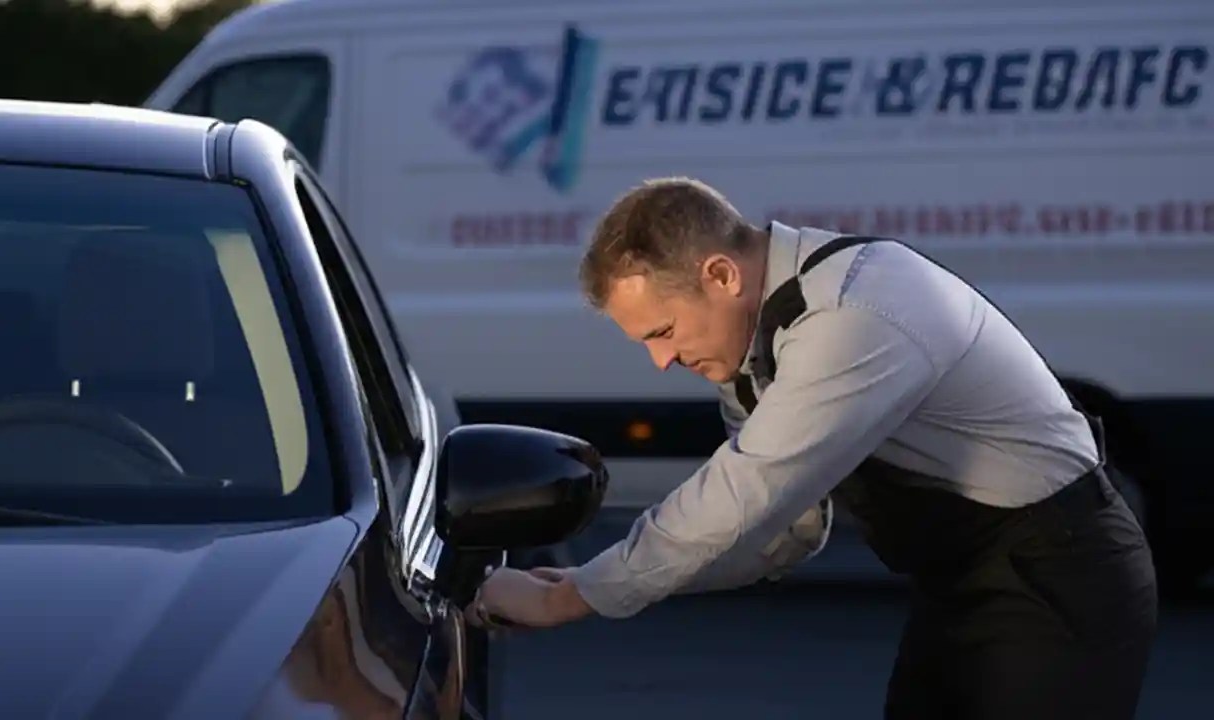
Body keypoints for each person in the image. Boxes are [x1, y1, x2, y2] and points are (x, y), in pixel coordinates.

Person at [465, 177, 1158, 719]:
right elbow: (779, 534)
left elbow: (748, 490)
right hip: (964, 586)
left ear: (722, 276)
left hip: (1060, 580)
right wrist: (597, 581)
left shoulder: (858, 314)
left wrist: (580, 597)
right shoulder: (757, 350)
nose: (661, 361)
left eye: (664, 330)